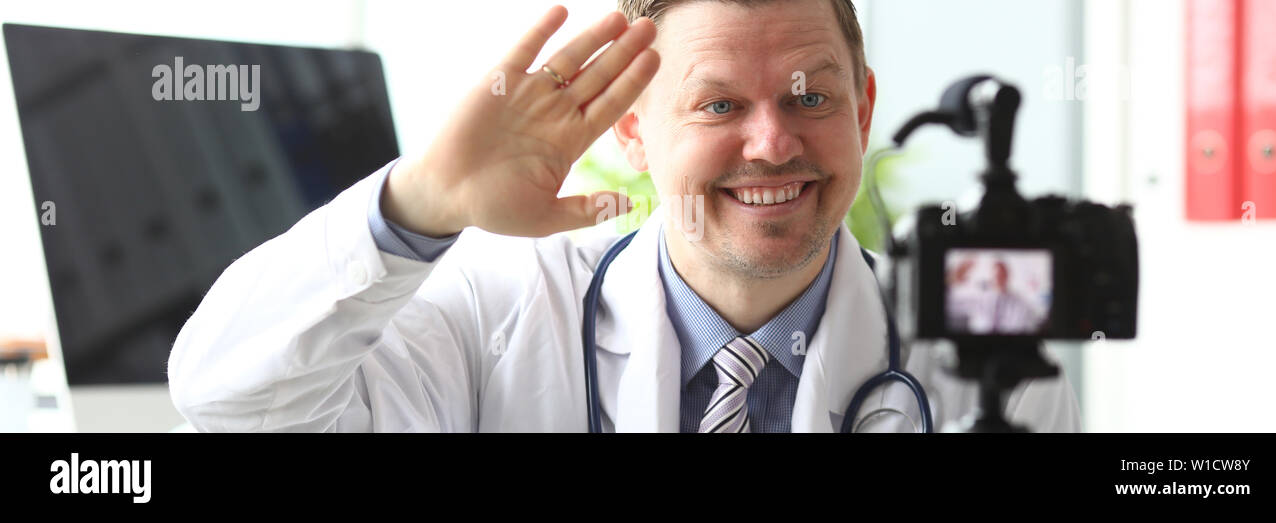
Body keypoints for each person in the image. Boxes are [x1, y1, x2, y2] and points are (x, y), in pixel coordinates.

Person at [167, 0, 1081, 432]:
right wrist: (417, 205)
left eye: (809, 99)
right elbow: (232, 402)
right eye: (718, 105)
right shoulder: (498, 310)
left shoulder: (980, 351)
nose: (772, 144)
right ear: (634, 134)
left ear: (864, 109)